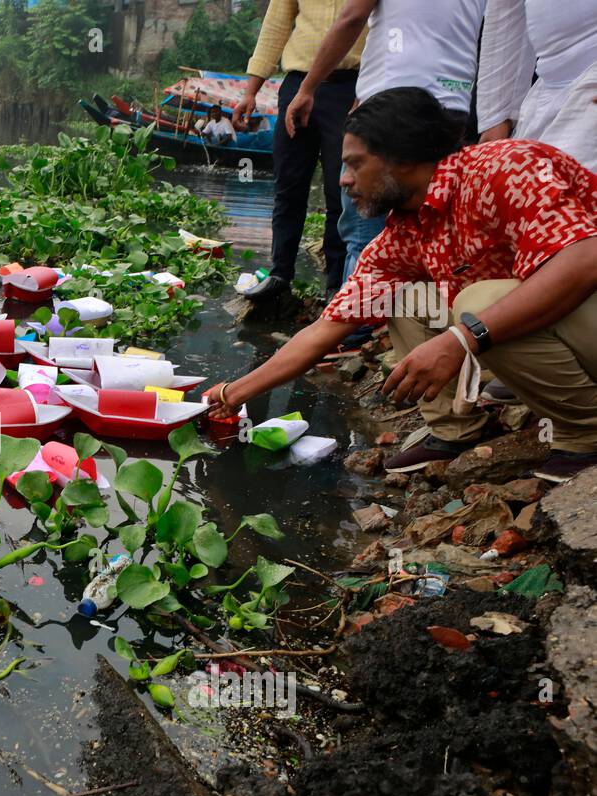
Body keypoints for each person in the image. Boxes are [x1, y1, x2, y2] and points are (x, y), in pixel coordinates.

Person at [205, 88, 597, 484]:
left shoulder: (509, 166)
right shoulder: (406, 231)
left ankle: (585, 431)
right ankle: (456, 430)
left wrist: (461, 339)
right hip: (554, 334)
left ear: (405, 158)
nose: (344, 180)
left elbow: (584, 260)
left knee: (478, 303)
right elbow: (326, 328)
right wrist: (233, 394)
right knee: (405, 298)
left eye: (355, 165)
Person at [283, 0, 487, 279]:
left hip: (393, 106)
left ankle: (359, 319)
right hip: (453, 107)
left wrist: (308, 87)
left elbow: (352, 17)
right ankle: (420, 318)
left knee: (364, 234)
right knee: (432, 233)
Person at [235, 0, 368, 302]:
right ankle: (280, 272)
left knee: (342, 188)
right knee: (288, 183)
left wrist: (371, 89)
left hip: (351, 87)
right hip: (297, 84)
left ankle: (336, 282)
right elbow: (276, 27)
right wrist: (250, 92)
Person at [477, 0, 597, 173]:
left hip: (592, 83)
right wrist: (496, 116)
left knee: (563, 187)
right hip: (544, 92)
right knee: (516, 186)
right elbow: (507, 9)